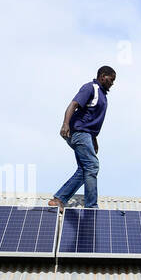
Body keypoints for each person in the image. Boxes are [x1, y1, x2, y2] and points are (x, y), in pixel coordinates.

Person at [49, 66, 115, 209]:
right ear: (103, 76)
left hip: (86, 135)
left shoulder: (103, 95)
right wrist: (65, 123)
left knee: (85, 169)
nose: (112, 83)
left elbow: (91, 118)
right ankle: (91, 207)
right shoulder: (91, 88)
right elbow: (74, 104)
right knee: (92, 166)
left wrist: (94, 140)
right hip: (78, 132)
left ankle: (59, 199)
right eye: (111, 79)